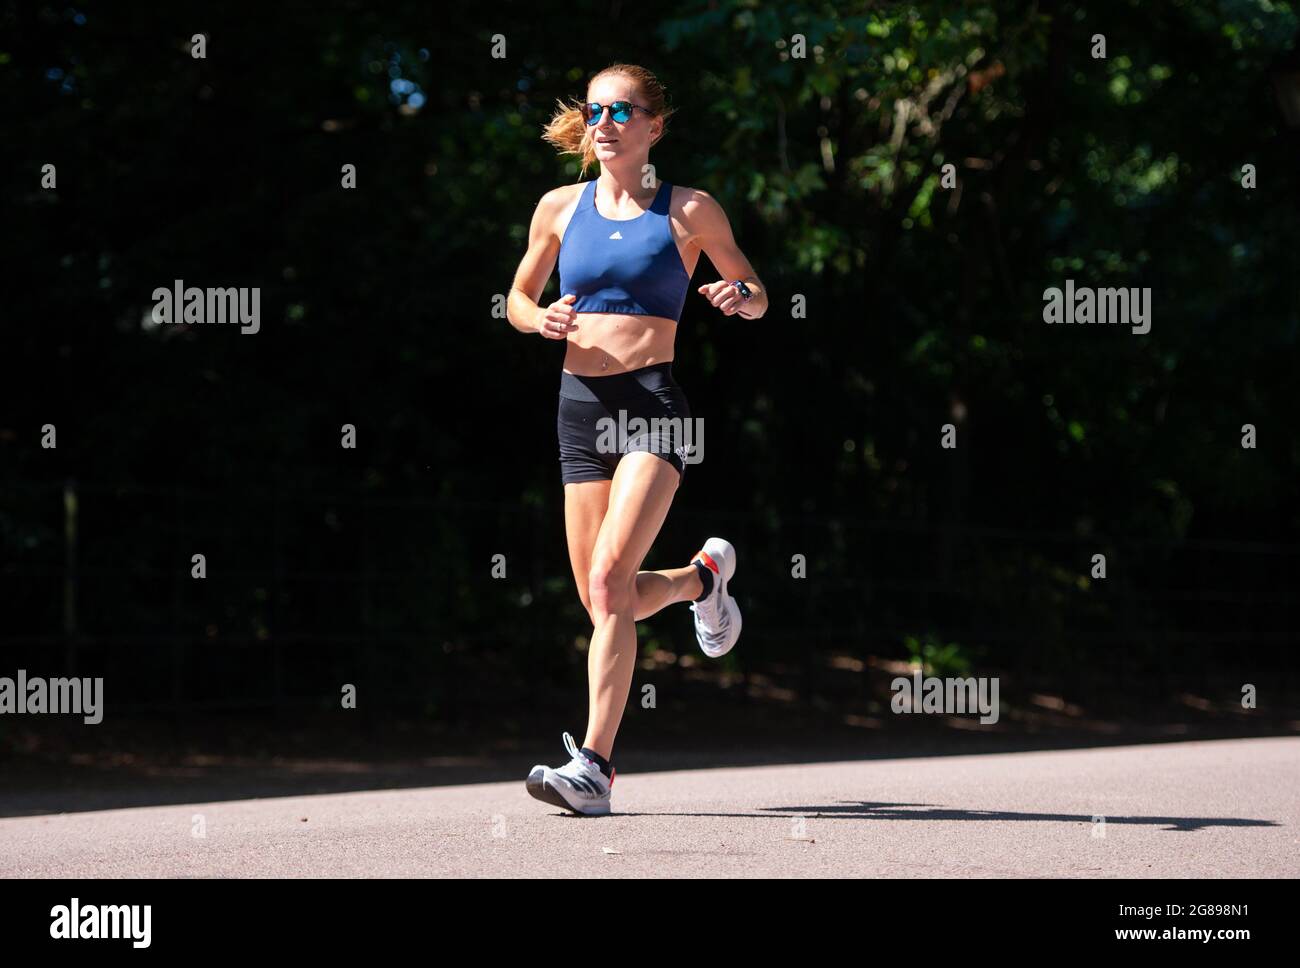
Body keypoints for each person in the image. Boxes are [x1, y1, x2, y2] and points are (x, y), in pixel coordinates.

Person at [506, 63, 768, 815]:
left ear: (656, 125)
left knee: (613, 575)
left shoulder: (690, 211)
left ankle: (594, 770)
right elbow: (519, 297)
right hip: (578, 407)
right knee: (602, 595)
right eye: (595, 109)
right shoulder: (558, 207)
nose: (606, 120)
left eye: (624, 109)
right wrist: (538, 319)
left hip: (653, 404)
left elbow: (757, 293)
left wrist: (736, 295)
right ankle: (700, 582)